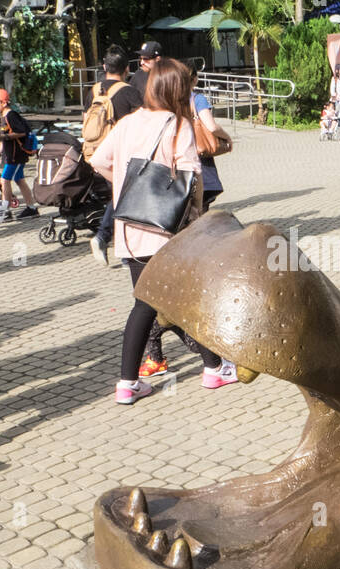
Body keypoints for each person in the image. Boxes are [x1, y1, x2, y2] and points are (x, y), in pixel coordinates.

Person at [89, 58, 238, 404]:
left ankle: (128, 383)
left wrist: (126, 186)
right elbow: (191, 176)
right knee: (186, 301)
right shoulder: (178, 125)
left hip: (129, 228)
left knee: (146, 303)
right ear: (178, 90)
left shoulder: (127, 123)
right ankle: (214, 369)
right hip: (165, 229)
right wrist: (198, 214)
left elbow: (98, 161)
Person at [140, 87, 233, 377]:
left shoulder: (144, 122)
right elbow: (194, 179)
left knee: (153, 298)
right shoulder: (181, 121)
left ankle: (163, 358)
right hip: (177, 221)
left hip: (146, 220)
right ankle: (210, 359)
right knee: (172, 296)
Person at [86, 46, 145, 263]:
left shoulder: (93, 90)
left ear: (104, 67)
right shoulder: (129, 91)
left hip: (95, 153)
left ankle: (118, 247)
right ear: (127, 68)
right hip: (122, 155)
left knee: (119, 196)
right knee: (124, 197)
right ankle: (106, 238)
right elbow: (142, 123)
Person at [0, 89, 39, 222]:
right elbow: (3, 141)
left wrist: (5, 136)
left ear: (3, 102)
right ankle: (31, 208)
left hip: (16, 155)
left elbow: (21, 132)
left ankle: (5, 212)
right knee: (19, 180)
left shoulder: (11, 115)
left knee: (4, 180)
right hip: (11, 155)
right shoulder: (4, 117)